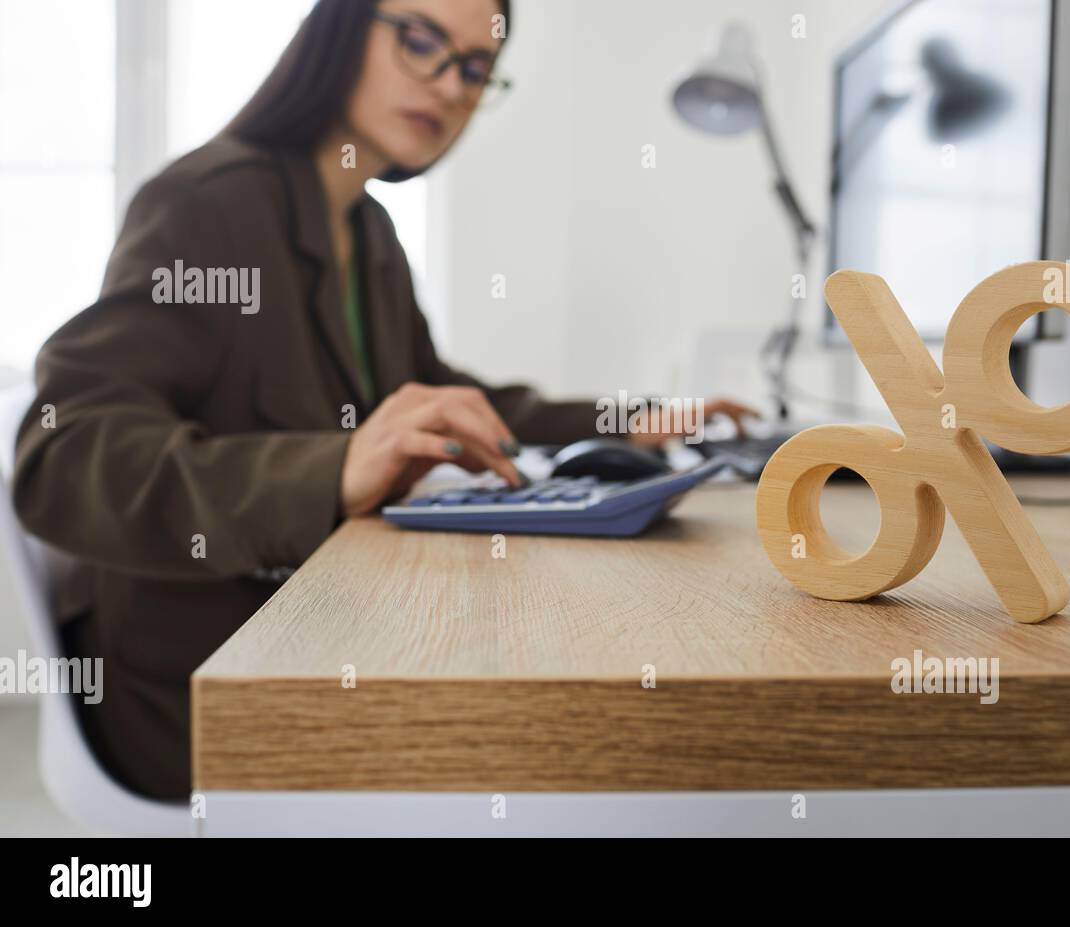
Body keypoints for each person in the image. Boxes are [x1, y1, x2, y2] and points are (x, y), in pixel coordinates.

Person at [12, 0, 753, 800]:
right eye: (423, 40)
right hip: (199, 684)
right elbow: (63, 455)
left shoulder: (370, 234)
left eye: (475, 68)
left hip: (315, 635)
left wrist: (627, 420)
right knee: (560, 751)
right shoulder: (208, 206)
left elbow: (444, 397)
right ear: (340, 27)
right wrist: (333, 467)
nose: (447, 85)